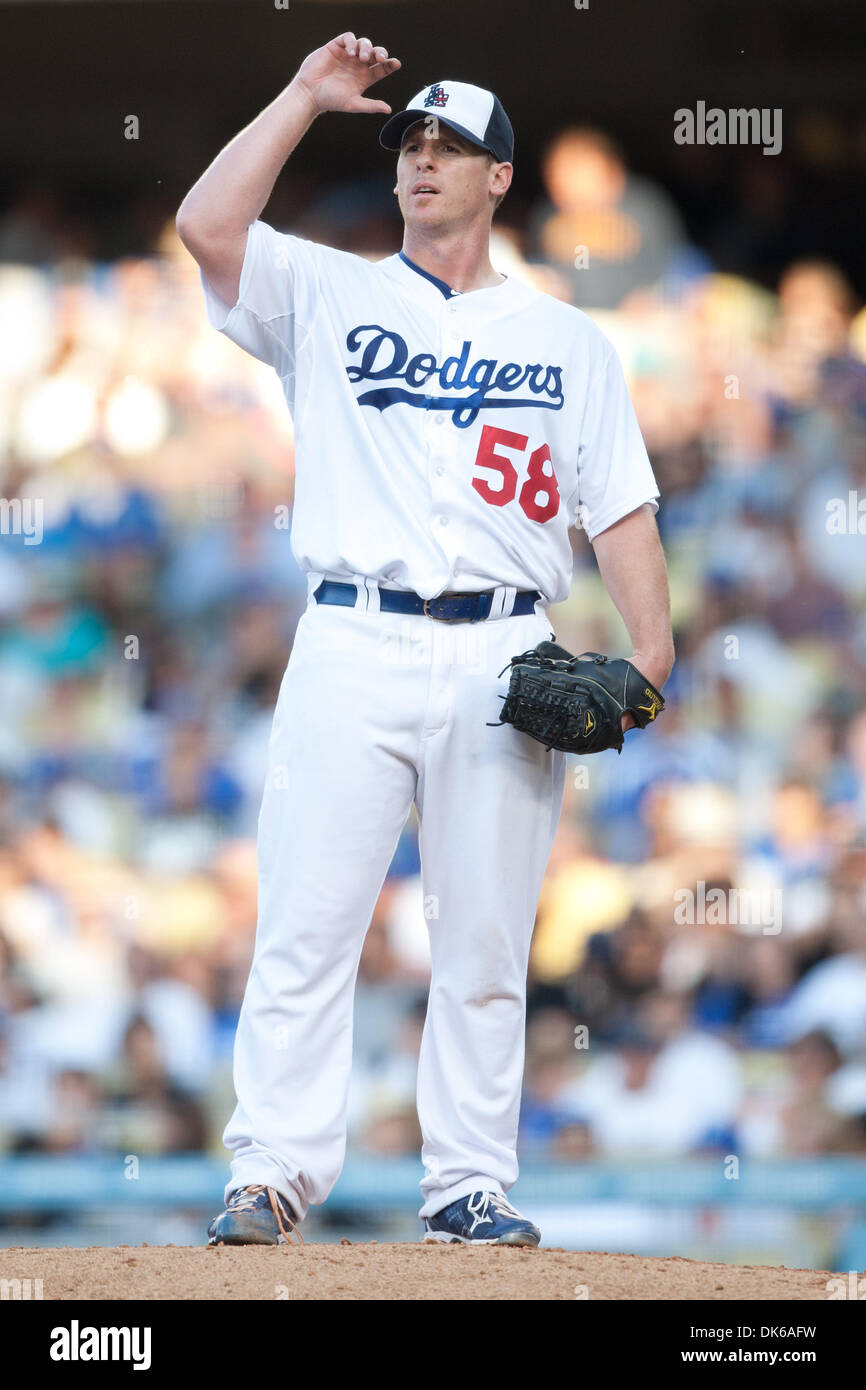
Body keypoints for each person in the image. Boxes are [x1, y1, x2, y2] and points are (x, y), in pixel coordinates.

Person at [176, 31, 674, 1247]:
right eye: (411, 143)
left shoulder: (566, 341)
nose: (424, 163)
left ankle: (465, 1181)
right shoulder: (329, 290)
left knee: (487, 938)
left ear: (500, 178)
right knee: (306, 922)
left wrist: (651, 660)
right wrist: (301, 98)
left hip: (504, 652)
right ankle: (274, 1170)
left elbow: (617, 508)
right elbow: (205, 225)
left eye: (452, 149)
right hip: (349, 637)